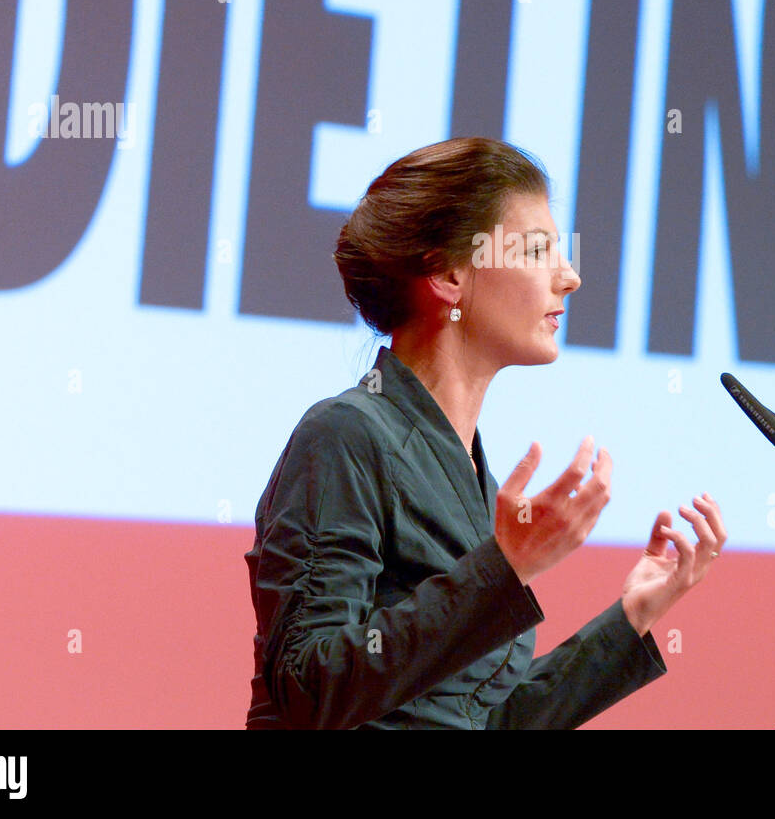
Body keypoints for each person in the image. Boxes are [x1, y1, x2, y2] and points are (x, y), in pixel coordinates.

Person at [244, 137, 726, 729]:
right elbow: (305, 687)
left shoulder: (474, 475)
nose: (569, 277)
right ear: (448, 273)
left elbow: (478, 722)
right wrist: (501, 570)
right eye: (537, 249)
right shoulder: (344, 436)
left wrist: (630, 618)